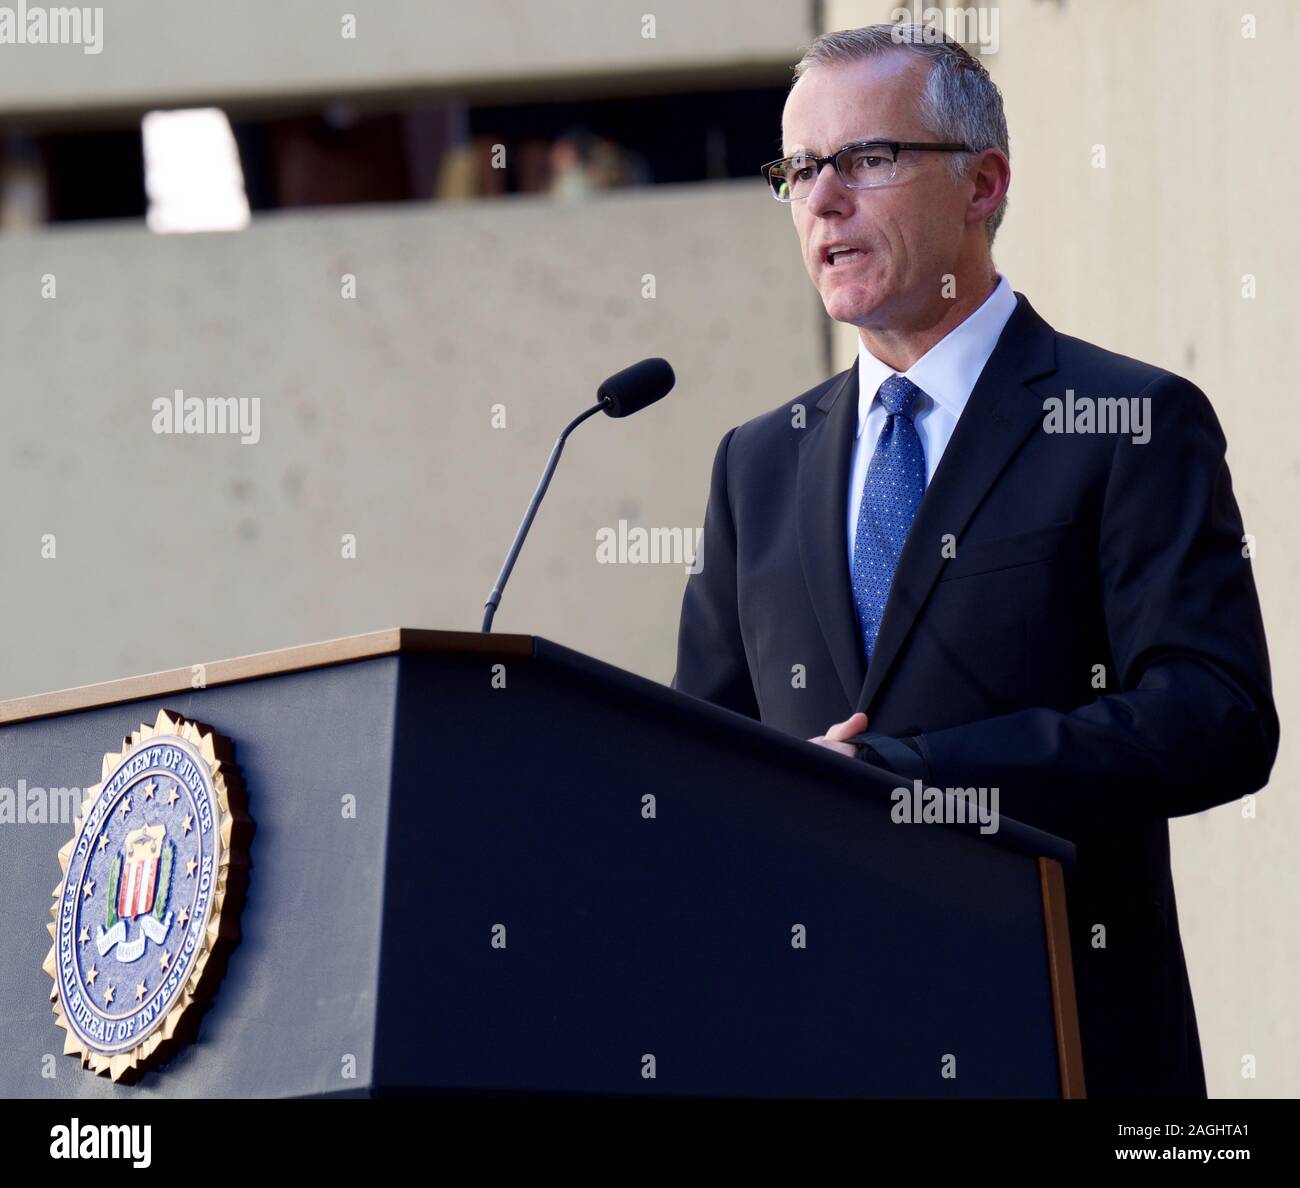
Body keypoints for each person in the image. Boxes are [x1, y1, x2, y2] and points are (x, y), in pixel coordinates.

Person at [671, 23, 1278, 1099]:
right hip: (815, 1055)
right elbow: (697, 763)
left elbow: (1213, 716)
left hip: (1062, 1045)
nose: (821, 201)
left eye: (864, 159)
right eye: (799, 170)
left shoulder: (1126, 420)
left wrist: (916, 779)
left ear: (984, 184)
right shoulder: (757, 463)